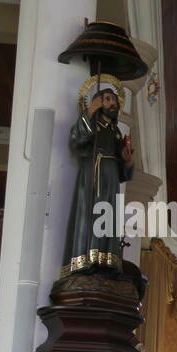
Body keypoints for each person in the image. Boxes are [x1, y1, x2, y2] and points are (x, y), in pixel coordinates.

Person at [64, 77, 134, 276]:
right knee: (90, 213)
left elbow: (124, 172)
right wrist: (90, 111)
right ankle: (86, 259)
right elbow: (75, 140)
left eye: (114, 100)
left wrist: (127, 161)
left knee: (109, 216)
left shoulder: (116, 132)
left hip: (111, 176)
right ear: (97, 103)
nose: (113, 104)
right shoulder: (91, 125)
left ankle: (105, 261)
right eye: (108, 99)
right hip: (92, 173)